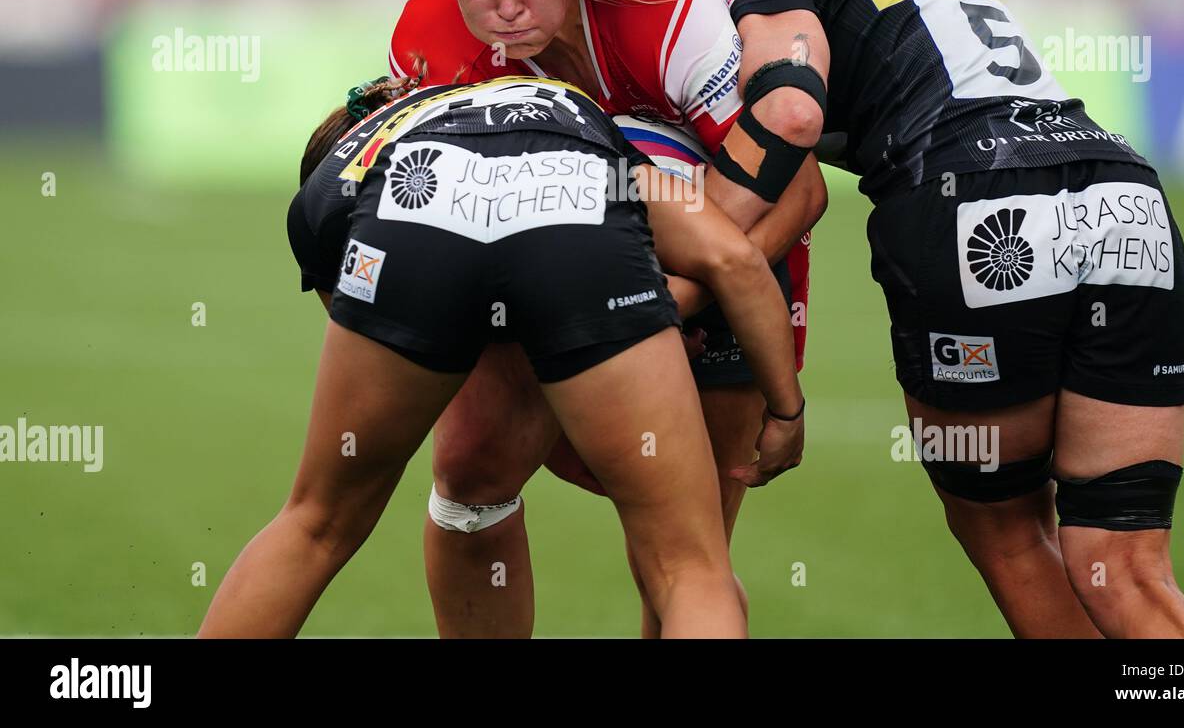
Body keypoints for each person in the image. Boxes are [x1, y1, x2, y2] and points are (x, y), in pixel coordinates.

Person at [684, 0, 1184, 639]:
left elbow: (788, 109)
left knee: (1007, 528)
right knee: (1132, 573)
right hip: (1125, 195)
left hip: (979, 209)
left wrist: (677, 259)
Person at [387, 0, 827, 637]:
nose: (507, 9)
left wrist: (675, 302)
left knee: (682, 561)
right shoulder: (426, 36)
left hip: (712, 260)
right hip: (557, 277)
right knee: (467, 476)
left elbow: (799, 189)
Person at [198, 74, 806, 639]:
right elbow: (734, 261)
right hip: (572, 196)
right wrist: (784, 410)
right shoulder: (565, 112)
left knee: (315, 524)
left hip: (403, 215)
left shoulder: (331, 186)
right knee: (689, 567)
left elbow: (395, 336)